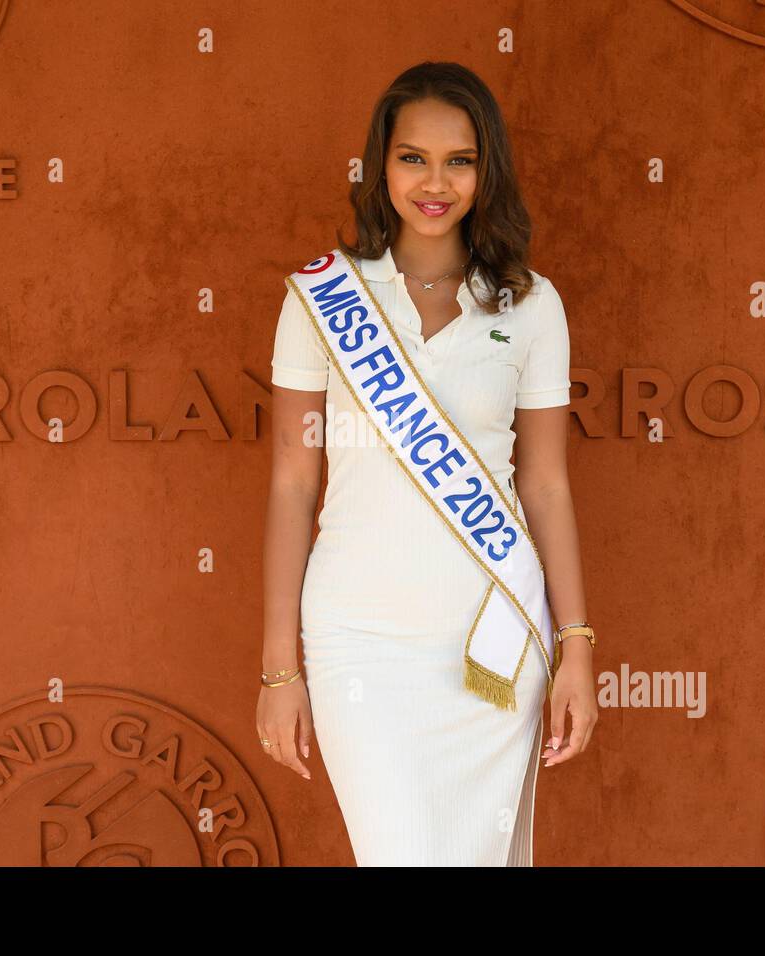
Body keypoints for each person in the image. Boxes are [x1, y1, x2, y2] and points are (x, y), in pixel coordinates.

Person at [258, 61, 597, 866]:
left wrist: (577, 643)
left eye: (460, 159)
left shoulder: (531, 304)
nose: (435, 182)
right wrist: (280, 671)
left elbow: (545, 484)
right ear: (382, 165)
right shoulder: (322, 297)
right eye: (413, 157)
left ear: (489, 170)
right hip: (357, 637)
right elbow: (291, 482)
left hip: (488, 638)